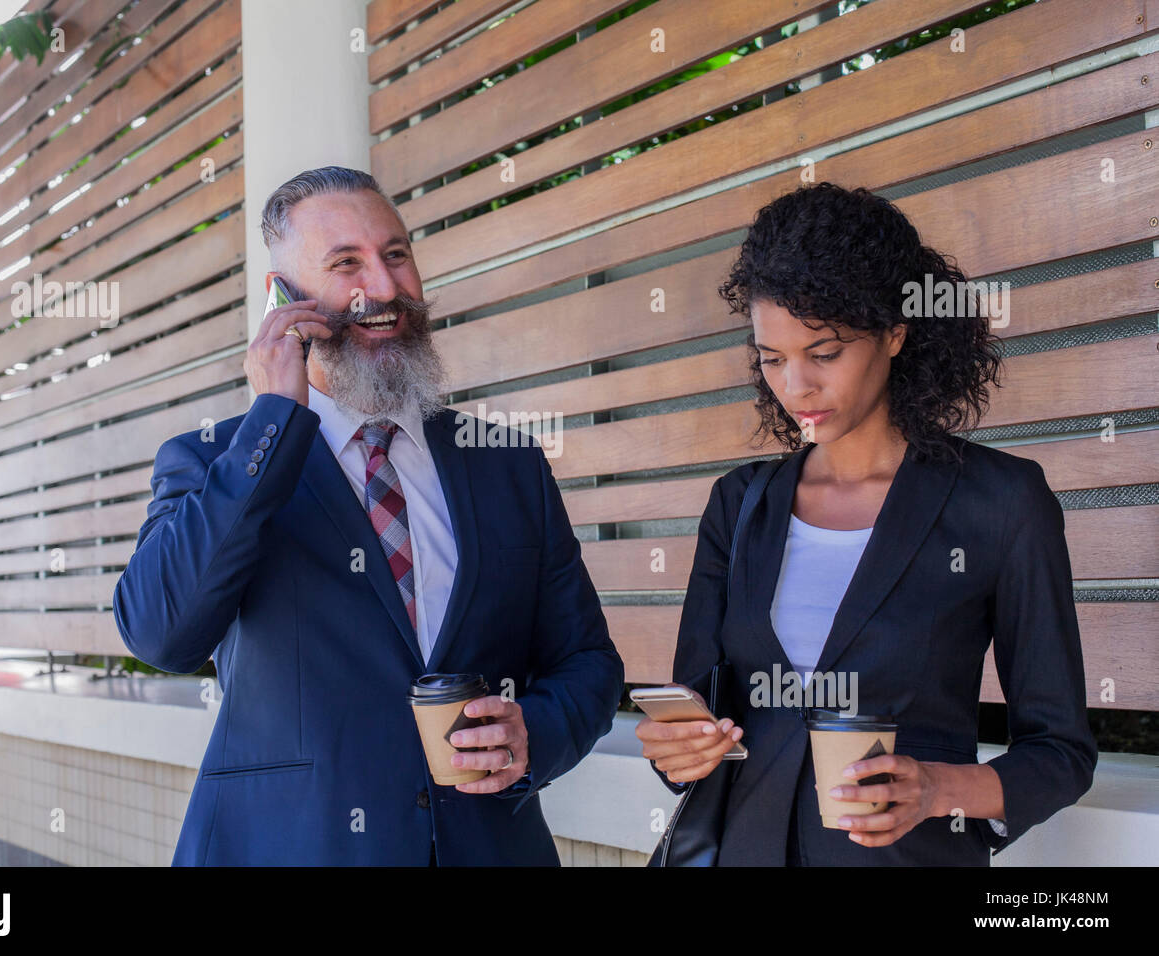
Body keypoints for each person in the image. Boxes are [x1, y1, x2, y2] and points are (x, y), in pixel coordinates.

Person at [112, 166, 623, 865]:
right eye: (345, 263)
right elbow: (159, 633)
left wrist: (537, 730)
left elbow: (587, 661)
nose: (382, 290)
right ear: (284, 300)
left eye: (395, 255)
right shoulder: (216, 460)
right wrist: (272, 423)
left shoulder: (507, 464)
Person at [637, 181, 1097, 865]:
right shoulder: (738, 506)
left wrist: (938, 788)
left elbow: (1060, 752)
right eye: (772, 359)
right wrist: (679, 753)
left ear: (895, 332)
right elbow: (697, 721)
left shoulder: (1001, 501)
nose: (795, 387)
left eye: (824, 353)